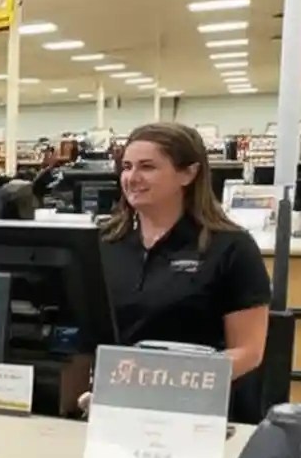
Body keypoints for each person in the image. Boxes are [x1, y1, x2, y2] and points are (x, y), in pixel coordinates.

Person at [98, 122, 272, 422]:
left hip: (196, 413)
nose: (132, 178)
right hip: (111, 405)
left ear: (188, 174)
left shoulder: (231, 247)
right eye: (126, 167)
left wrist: (160, 383)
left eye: (147, 167)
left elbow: (248, 351)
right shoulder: (104, 242)